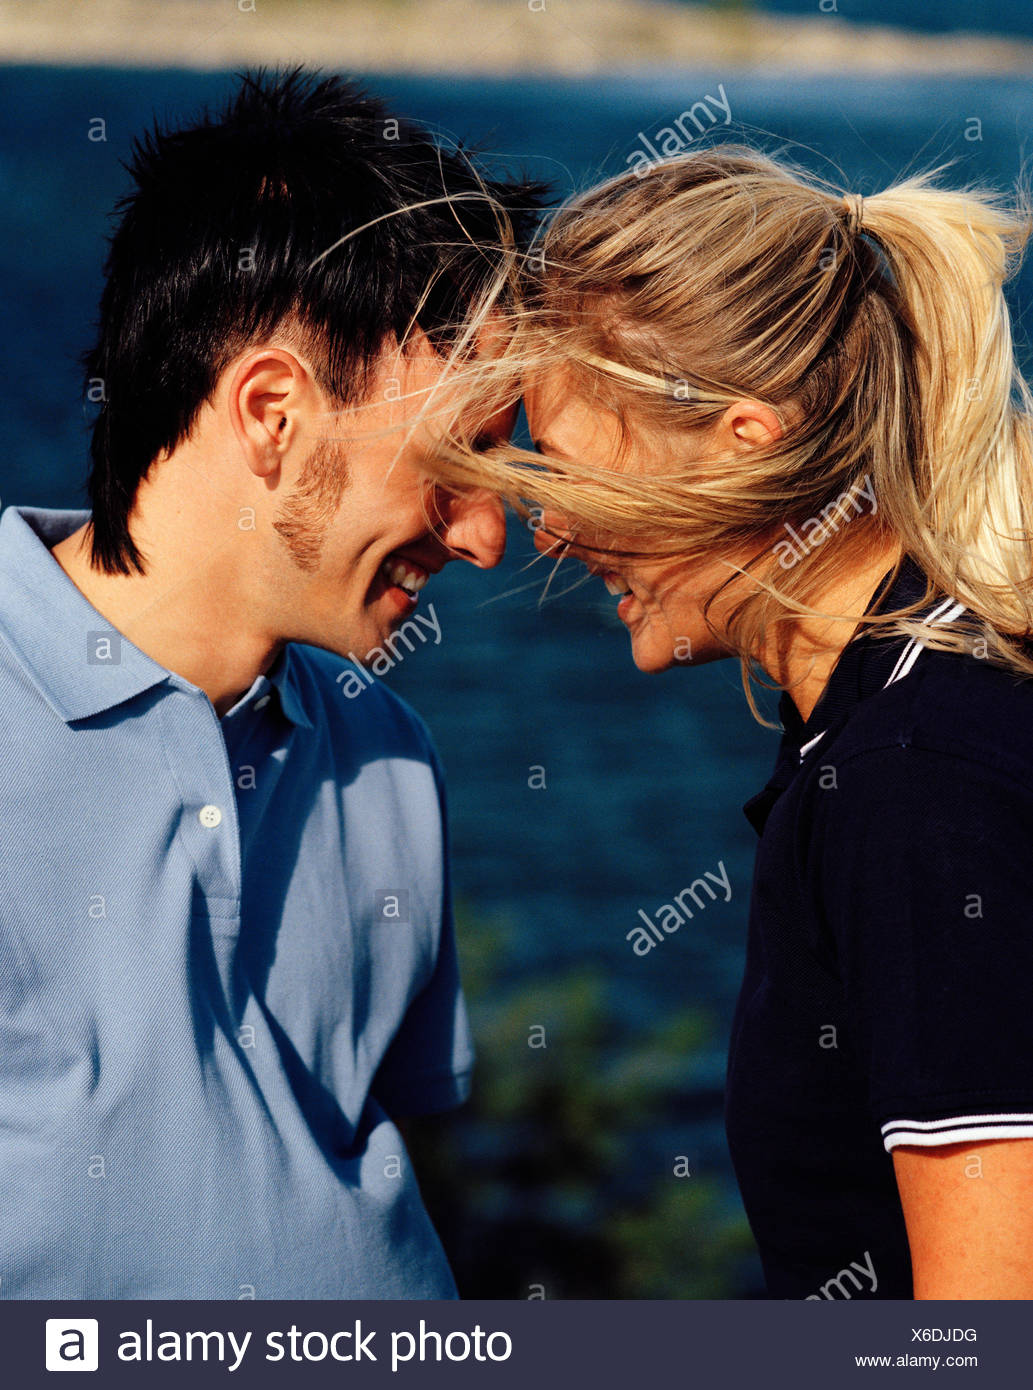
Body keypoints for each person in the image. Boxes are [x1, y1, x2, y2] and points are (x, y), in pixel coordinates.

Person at [453, 144, 1033, 1298]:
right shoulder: (900, 716)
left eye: (568, 474)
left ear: (742, 436)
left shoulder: (912, 779)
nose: (549, 533)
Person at [0, 66, 544, 1298]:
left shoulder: (389, 750)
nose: (483, 538)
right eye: (457, 461)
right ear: (271, 412)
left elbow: (394, 1158)